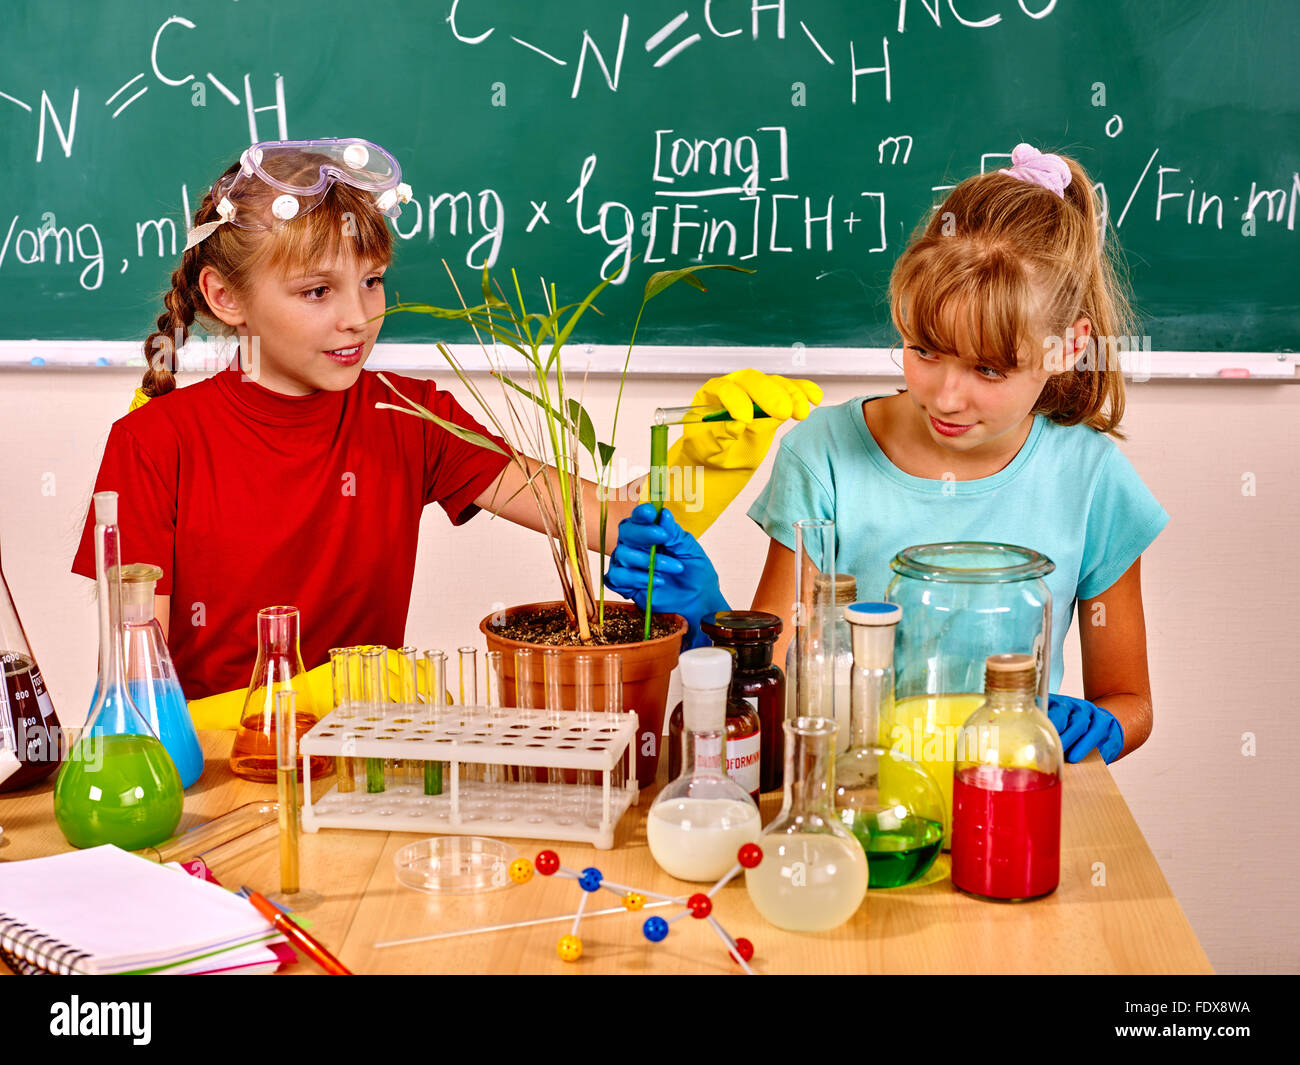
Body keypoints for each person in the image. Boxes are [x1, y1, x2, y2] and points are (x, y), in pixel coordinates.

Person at [71, 138, 814, 714]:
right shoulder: (151, 445)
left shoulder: (409, 415)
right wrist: (299, 703)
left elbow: (601, 518)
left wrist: (705, 456)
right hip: (211, 783)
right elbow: (135, 699)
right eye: (317, 290)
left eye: (372, 281)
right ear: (224, 297)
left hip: (363, 765)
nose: (357, 316)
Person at [607, 145, 1169, 764]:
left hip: (1004, 799)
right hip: (859, 803)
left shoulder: (1092, 480)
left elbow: (1129, 698)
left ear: (1068, 346)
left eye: (987, 368)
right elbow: (778, 694)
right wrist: (711, 622)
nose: (948, 397)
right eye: (925, 350)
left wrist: (1102, 724)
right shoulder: (822, 455)